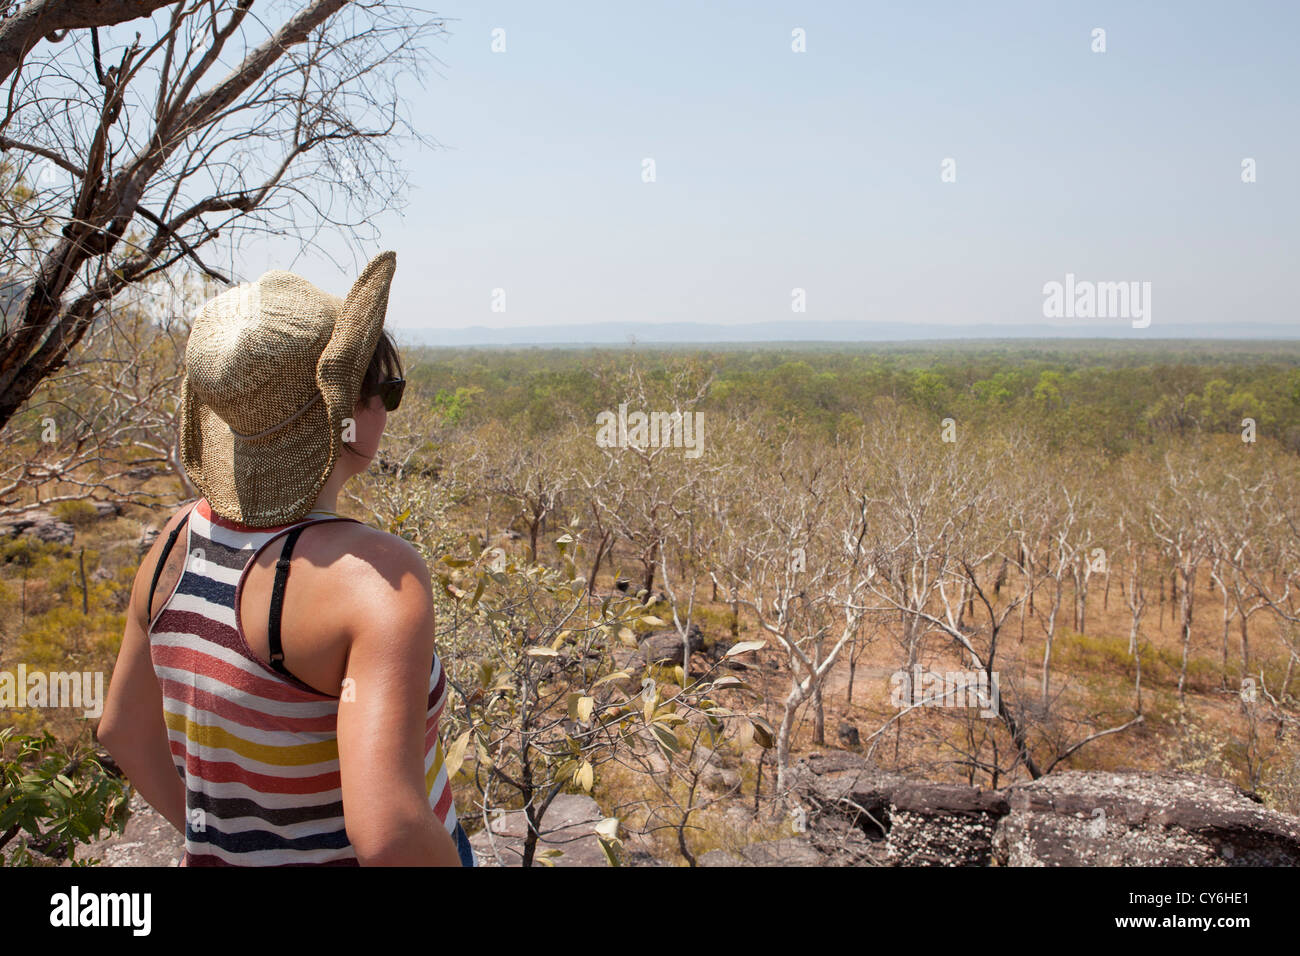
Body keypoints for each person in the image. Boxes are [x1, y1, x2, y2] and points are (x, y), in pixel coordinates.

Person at [98, 251, 476, 866]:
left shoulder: (173, 541)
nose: (386, 408)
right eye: (387, 391)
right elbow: (390, 833)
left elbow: (123, 732)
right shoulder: (376, 579)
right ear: (347, 410)